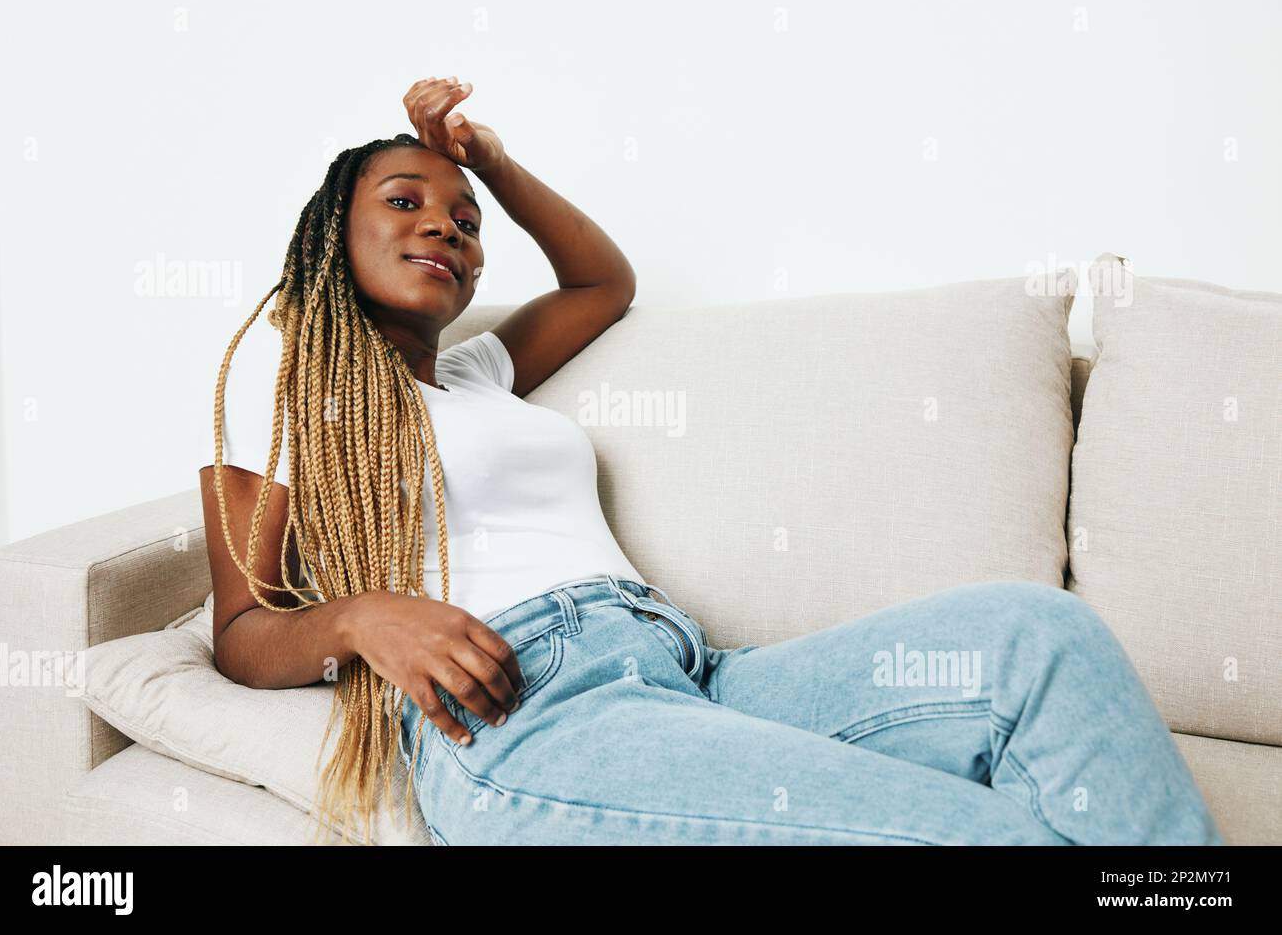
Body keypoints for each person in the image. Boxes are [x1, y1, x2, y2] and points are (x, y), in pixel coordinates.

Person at [199, 76, 1223, 846]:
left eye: (465, 223)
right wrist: (364, 616)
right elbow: (242, 630)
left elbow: (603, 280)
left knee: (1032, 634)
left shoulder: (476, 375)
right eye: (407, 202)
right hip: (526, 713)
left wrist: (491, 164)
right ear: (333, 231)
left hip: (688, 671)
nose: (447, 228)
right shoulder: (286, 377)